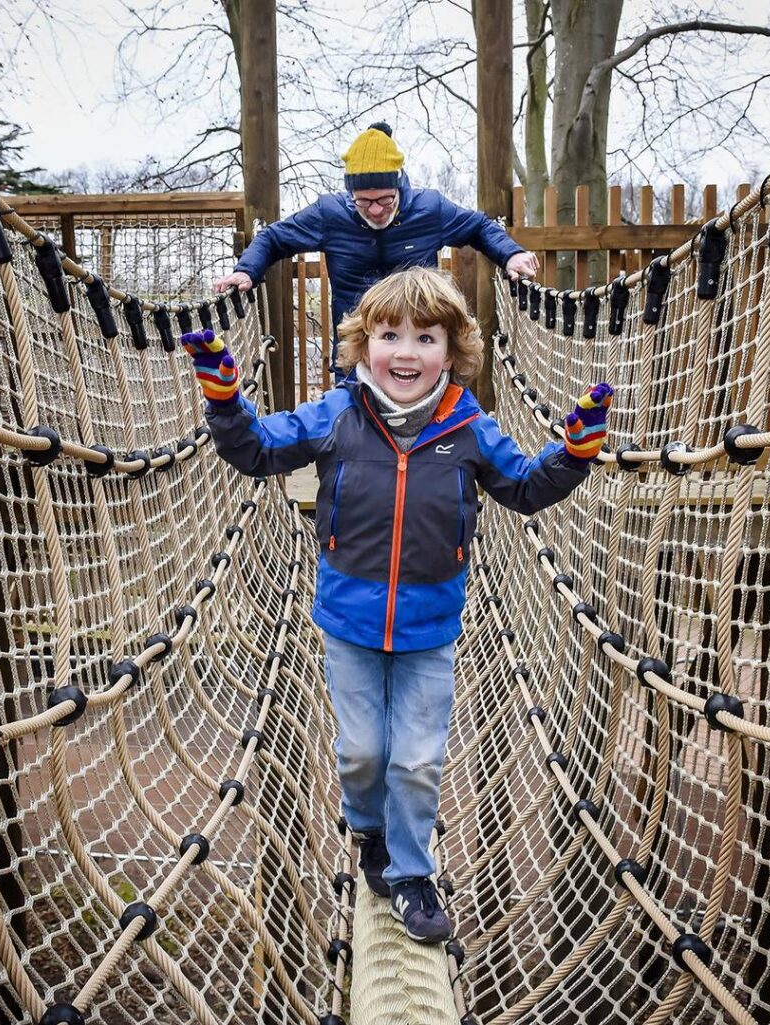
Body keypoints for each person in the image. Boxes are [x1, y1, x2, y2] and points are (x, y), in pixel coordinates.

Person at [180, 267, 609, 945]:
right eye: (390, 335)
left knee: (415, 759)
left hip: (431, 624)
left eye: (426, 337)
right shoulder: (339, 413)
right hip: (349, 620)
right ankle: (369, 829)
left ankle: (412, 873)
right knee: (362, 753)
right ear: (363, 343)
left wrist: (574, 453)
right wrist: (226, 401)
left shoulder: (467, 427)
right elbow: (257, 451)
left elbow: (525, 488)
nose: (406, 352)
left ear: (452, 349)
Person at [212, 122, 540, 370]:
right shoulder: (331, 214)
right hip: (358, 345)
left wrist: (510, 254)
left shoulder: (429, 209)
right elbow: (272, 238)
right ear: (349, 196)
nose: (376, 210)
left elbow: (480, 227)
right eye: (364, 202)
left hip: (417, 345)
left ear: (400, 187)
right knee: (351, 433)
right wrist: (246, 271)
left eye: (385, 199)